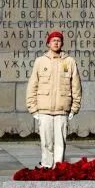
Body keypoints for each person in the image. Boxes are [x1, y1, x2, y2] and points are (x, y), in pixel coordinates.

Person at [25, 29, 82, 167]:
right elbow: (33, 85)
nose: (56, 43)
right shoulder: (40, 61)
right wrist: (33, 108)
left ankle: (58, 168)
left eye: (58, 40)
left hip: (62, 109)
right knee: (46, 141)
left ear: (62, 43)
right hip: (44, 109)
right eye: (53, 41)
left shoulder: (69, 62)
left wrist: (74, 108)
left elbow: (76, 86)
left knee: (60, 142)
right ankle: (46, 166)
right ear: (48, 43)